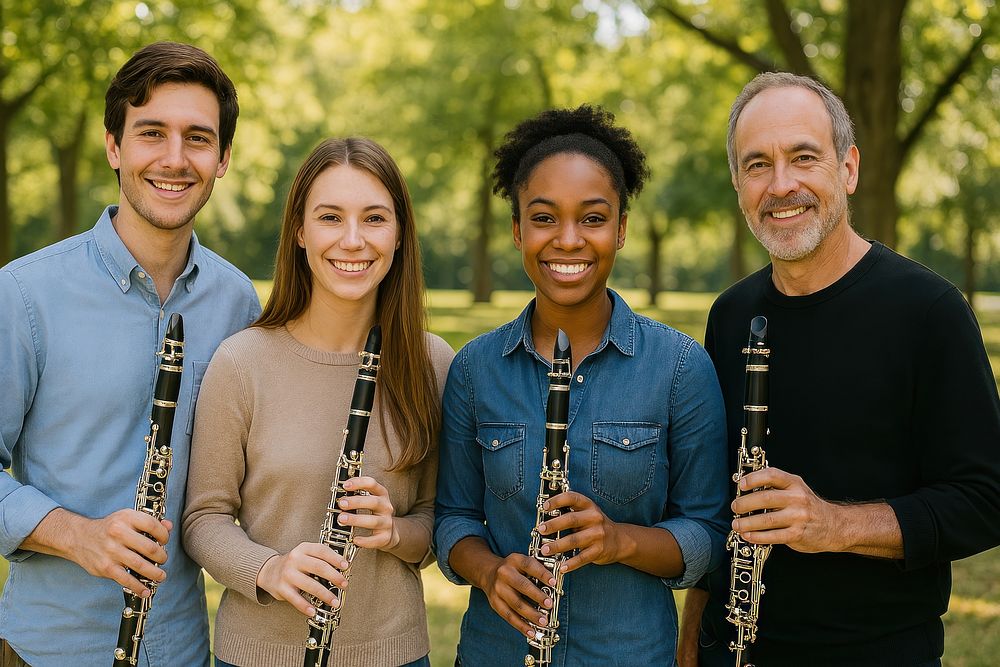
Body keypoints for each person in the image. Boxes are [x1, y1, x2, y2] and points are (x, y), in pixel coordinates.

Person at [677, 72, 1000, 667]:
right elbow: (719, 495)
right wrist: (695, 622)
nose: (781, 185)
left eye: (804, 157)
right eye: (757, 165)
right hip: (736, 649)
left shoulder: (929, 311)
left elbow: (985, 499)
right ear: (737, 183)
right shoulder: (732, 314)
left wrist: (833, 524)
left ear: (848, 168)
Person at [433, 105, 729, 666]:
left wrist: (620, 541)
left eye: (592, 219)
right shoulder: (474, 369)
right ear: (518, 229)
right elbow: (454, 519)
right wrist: (489, 570)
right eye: (544, 218)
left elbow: (709, 534)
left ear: (620, 229)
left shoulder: (680, 366)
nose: (568, 241)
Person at [0, 42, 260, 667]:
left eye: (198, 138)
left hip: (183, 649)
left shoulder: (237, 303)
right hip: (46, 650)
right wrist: (75, 535)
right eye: (151, 133)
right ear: (115, 146)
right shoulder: (25, 294)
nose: (175, 159)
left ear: (223, 159)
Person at [181, 137, 453, 667]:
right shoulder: (243, 362)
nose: (353, 240)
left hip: (394, 653)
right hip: (259, 655)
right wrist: (269, 569)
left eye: (375, 218)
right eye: (330, 217)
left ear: (399, 236)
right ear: (300, 233)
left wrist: (393, 532)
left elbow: (438, 520)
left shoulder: (432, 362)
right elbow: (204, 518)